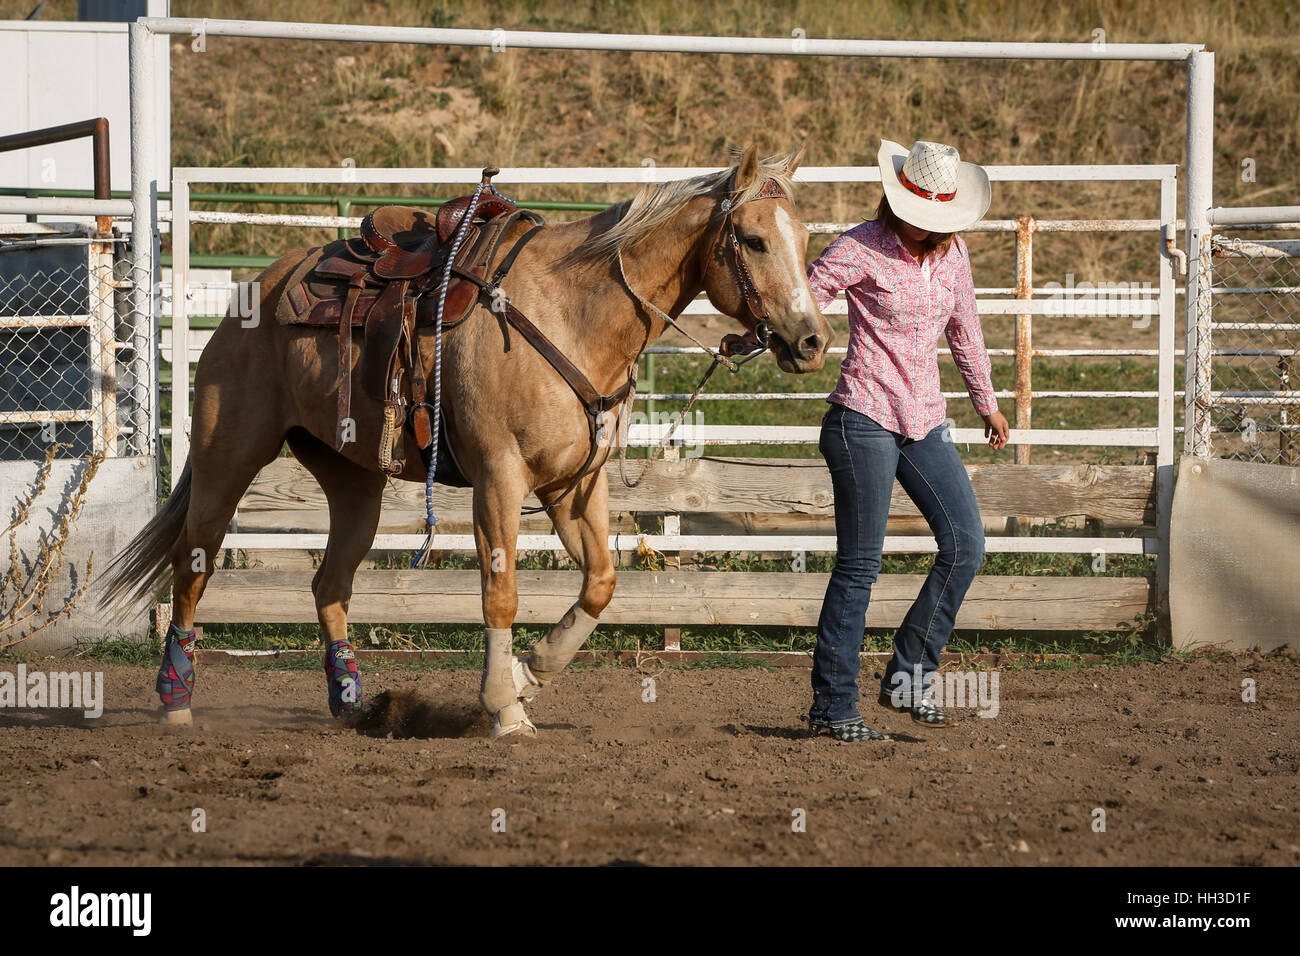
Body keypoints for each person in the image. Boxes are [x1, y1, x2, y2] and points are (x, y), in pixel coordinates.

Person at [803, 139, 1010, 742]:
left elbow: (965, 329)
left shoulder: (953, 256)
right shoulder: (859, 246)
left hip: (925, 420)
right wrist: (760, 339)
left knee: (965, 542)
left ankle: (909, 676)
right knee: (861, 564)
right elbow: (803, 301)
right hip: (862, 415)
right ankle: (833, 706)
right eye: (920, 219)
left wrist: (987, 404)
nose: (929, 230)